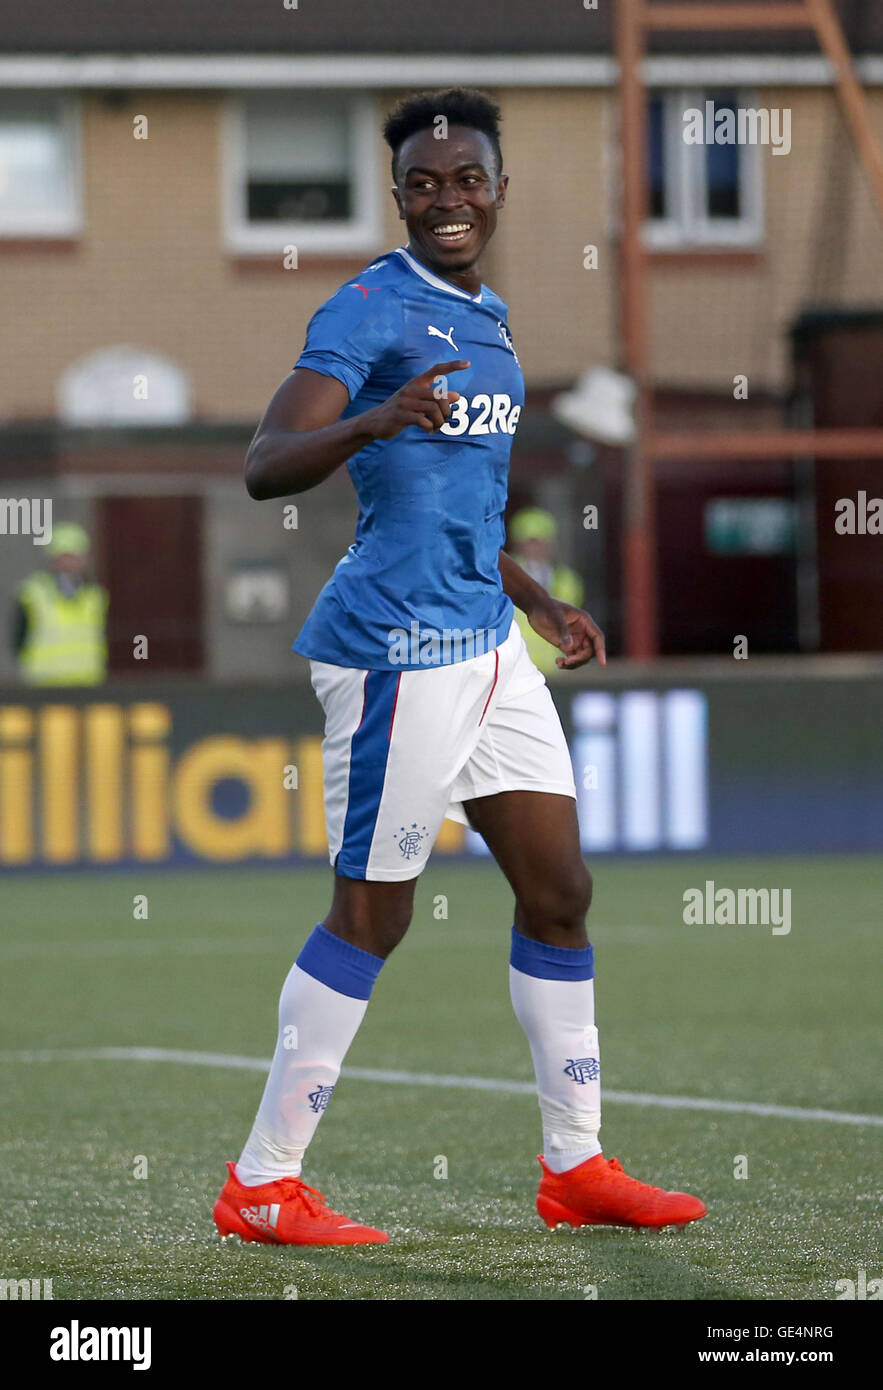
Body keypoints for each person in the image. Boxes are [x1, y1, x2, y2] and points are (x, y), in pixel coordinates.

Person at [213, 88, 706, 1246]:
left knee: (560, 890)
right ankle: (262, 1184)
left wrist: (537, 599)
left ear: (497, 187)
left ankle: (573, 1166)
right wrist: (372, 421)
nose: (448, 199)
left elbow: (462, 506)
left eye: (466, 178)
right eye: (424, 183)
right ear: (397, 198)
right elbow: (265, 462)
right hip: (396, 651)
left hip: (487, 643)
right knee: (372, 917)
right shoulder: (367, 308)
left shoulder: (490, 318)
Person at [11, 522, 108, 686]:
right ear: (53, 558)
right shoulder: (33, 593)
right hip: (44, 682)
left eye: (75, 556)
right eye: (64, 556)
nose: (69, 563)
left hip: (87, 681)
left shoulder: (95, 595)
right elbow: (18, 638)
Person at [508, 507, 584, 676]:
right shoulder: (504, 578)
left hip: (555, 670)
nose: (536, 548)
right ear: (519, 544)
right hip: (516, 671)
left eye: (541, 542)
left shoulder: (567, 580)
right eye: (530, 542)